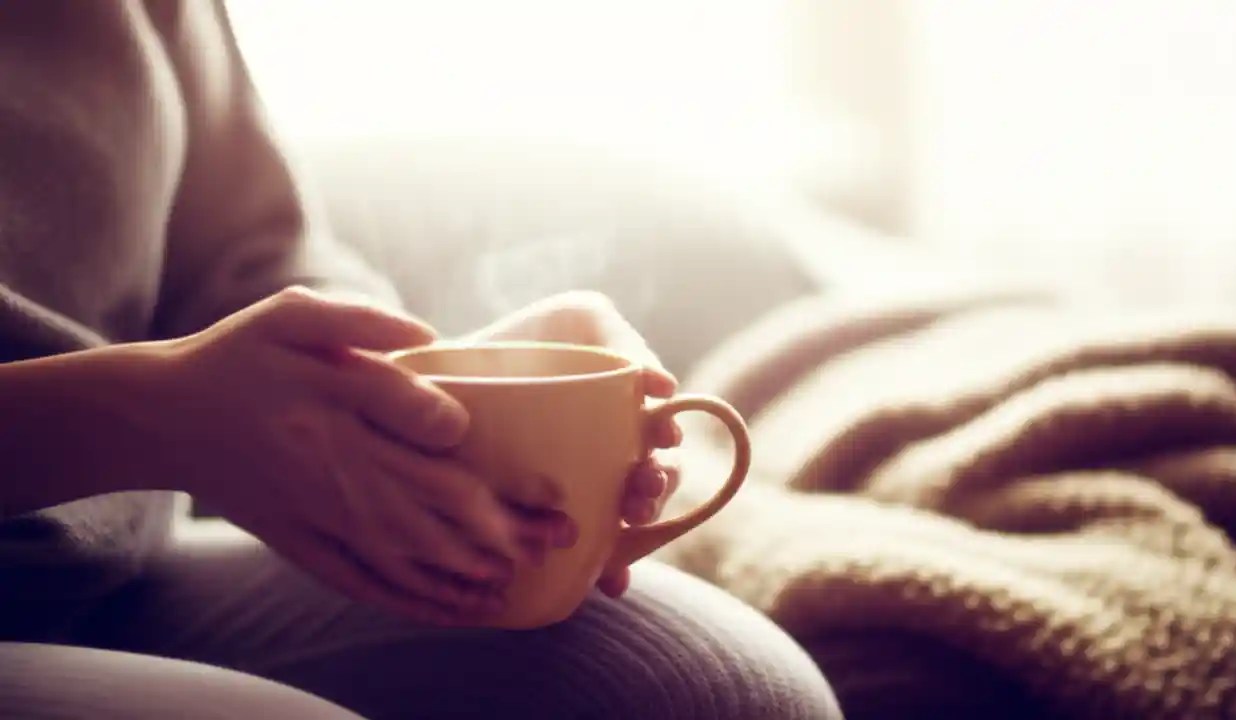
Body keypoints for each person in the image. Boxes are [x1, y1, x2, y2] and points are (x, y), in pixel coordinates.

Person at [0, 2, 841, 718]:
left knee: (727, 689)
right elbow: (187, 395)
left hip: (114, 574)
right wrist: (147, 412)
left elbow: (250, 265)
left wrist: (442, 381)